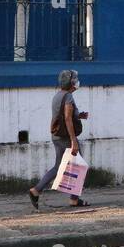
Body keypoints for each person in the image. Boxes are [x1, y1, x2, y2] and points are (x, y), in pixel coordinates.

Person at [29, 69, 90, 209]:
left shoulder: (58, 95)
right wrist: (73, 140)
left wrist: (79, 115)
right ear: (70, 82)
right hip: (66, 138)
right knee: (80, 167)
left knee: (59, 167)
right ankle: (74, 199)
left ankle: (36, 190)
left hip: (57, 137)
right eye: (75, 80)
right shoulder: (68, 97)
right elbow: (67, 118)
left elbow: (64, 115)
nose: (77, 82)